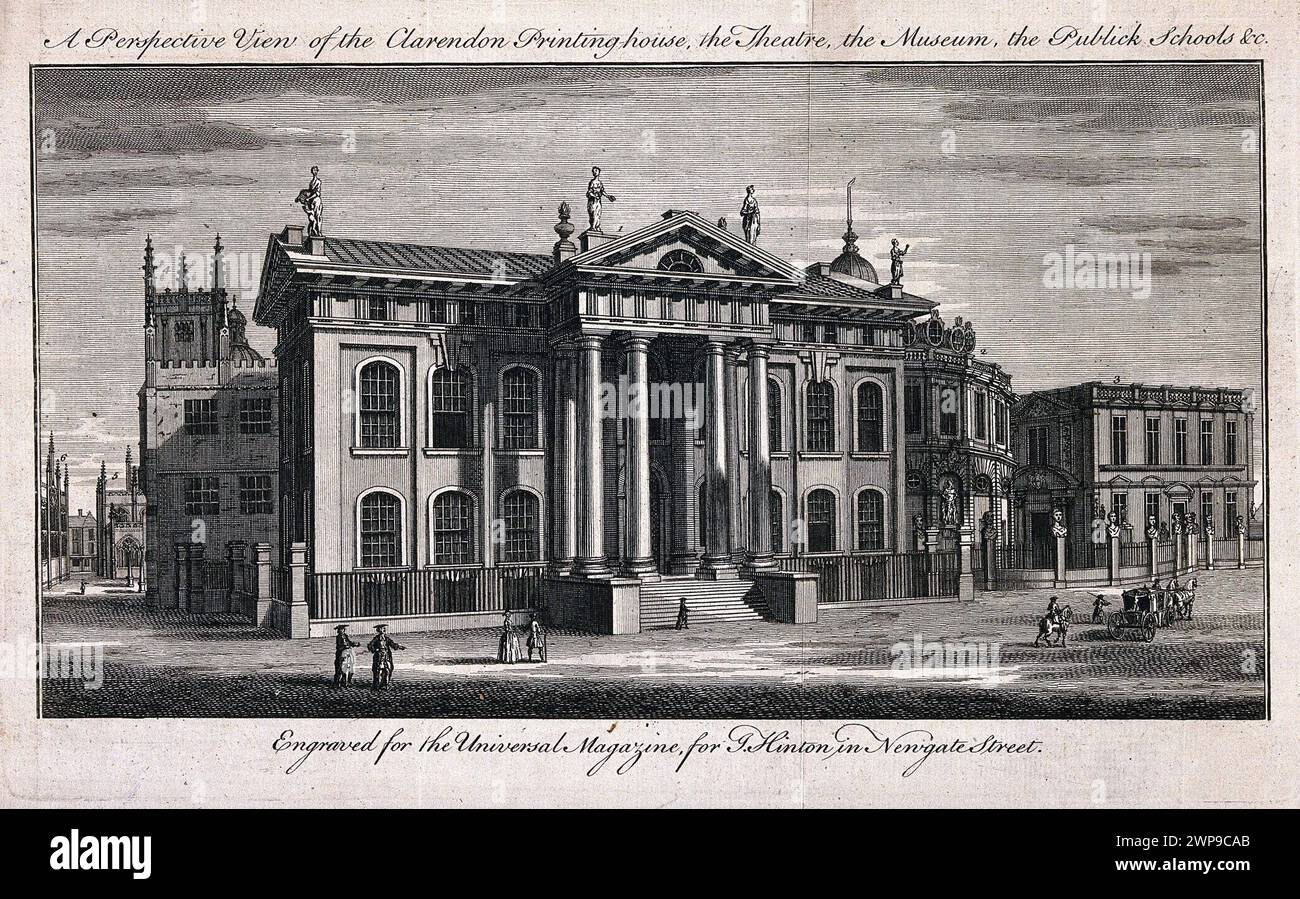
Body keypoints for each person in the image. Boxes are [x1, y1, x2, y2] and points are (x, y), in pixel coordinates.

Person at [367, 624, 405, 690]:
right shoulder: (376, 639)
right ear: (379, 630)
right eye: (382, 628)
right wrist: (375, 649)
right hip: (379, 657)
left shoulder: (386, 638)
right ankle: (377, 685)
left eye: (384, 628)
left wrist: (399, 647)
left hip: (386, 656)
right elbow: (370, 645)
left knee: (388, 669)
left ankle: (385, 684)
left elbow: (392, 644)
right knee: (378, 671)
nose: (384, 629)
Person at [586, 166, 615, 231]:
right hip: (592, 201)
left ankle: (596, 226)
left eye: (596, 170)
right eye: (594, 171)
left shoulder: (600, 183)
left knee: (598, 214)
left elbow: (602, 191)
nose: (595, 172)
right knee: (593, 214)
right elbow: (589, 192)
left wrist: (608, 196)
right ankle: (593, 227)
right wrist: (594, 196)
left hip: (598, 201)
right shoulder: (592, 182)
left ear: (599, 172)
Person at [333, 624, 360, 689]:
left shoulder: (345, 636)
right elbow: (339, 646)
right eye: (341, 629)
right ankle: (337, 683)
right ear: (338, 631)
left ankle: (345, 682)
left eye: (343, 629)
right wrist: (345, 646)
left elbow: (349, 642)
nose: (342, 630)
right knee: (339, 669)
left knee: (346, 668)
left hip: (347, 654)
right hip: (341, 654)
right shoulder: (338, 637)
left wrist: (354, 644)